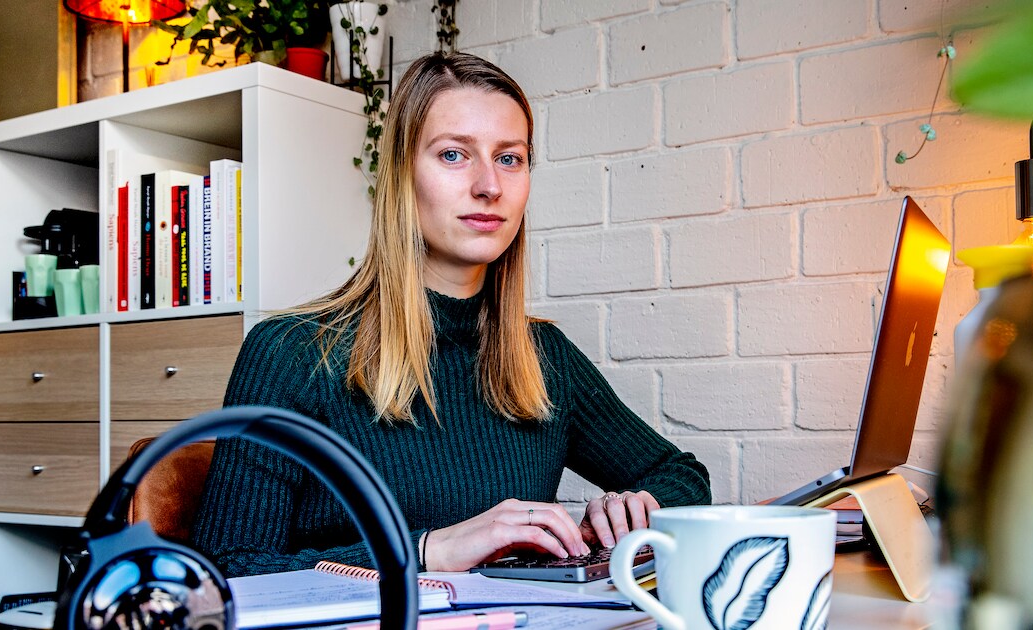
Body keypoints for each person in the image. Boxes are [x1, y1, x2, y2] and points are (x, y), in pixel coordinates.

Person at [192, 51, 711, 578]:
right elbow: (223, 571)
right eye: (454, 155)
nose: (490, 185)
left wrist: (631, 510)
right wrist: (427, 551)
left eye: (510, 158)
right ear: (401, 175)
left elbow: (682, 475)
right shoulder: (292, 354)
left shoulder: (544, 359)